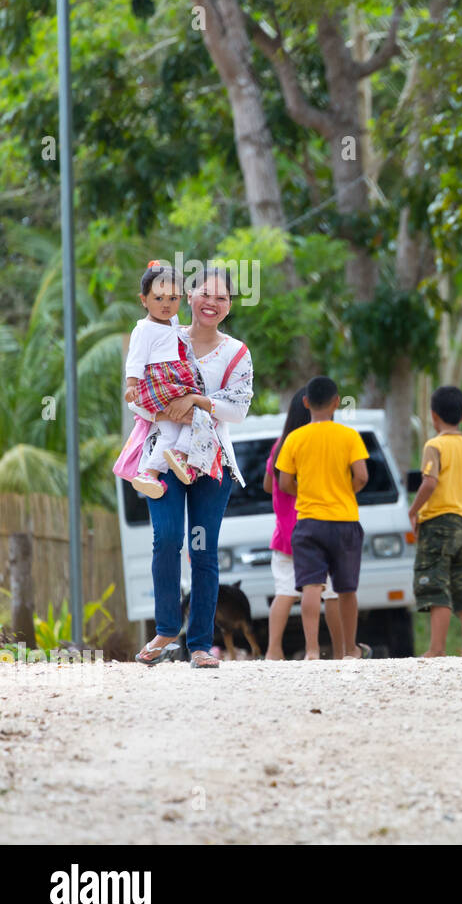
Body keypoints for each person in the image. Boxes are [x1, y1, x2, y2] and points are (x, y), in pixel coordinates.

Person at [132, 266, 254, 669]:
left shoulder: (237, 352)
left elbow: (237, 410)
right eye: (205, 294)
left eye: (221, 298)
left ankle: (200, 644)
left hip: (211, 463)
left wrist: (198, 402)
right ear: (190, 297)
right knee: (166, 538)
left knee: (202, 551)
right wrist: (170, 409)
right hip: (164, 459)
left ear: (229, 306)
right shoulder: (164, 335)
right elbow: (134, 396)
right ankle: (167, 630)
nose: (211, 303)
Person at [275, 376, 370, 660]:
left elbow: (283, 483)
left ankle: (313, 650)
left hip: (309, 521)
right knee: (346, 589)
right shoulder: (349, 436)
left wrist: (304, 491)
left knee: (311, 586)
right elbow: (362, 476)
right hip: (344, 520)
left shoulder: (295, 438)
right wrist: (345, 491)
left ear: (305, 403)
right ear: (336, 402)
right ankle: (350, 649)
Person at [262, 387, 345, 660]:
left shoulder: (280, 445)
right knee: (330, 592)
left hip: (284, 534)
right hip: (318, 526)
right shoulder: (312, 443)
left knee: (284, 592)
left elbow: (268, 484)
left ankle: (274, 650)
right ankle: (338, 650)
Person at [120, 260, 205, 498]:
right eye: (158, 299)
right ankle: (179, 454)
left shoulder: (172, 322)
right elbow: (135, 359)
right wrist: (131, 385)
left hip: (174, 380)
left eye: (172, 298)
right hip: (162, 383)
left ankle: (150, 473)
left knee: (173, 429)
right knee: (196, 415)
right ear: (143, 300)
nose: (166, 305)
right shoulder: (143, 329)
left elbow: (175, 334)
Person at [408, 386, 462, 658]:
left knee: (435, 583)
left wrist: (413, 510)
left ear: (433, 416)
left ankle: (437, 648)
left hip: (437, 523)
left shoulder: (434, 445)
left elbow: (429, 481)